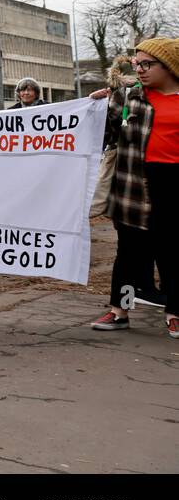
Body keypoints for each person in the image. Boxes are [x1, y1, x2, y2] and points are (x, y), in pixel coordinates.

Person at [89, 38, 179, 338]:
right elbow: (104, 132)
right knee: (129, 254)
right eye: (137, 64)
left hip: (172, 184)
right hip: (133, 185)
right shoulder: (129, 96)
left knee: (172, 253)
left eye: (147, 64)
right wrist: (95, 108)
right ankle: (120, 310)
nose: (139, 69)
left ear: (169, 66)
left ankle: (174, 312)